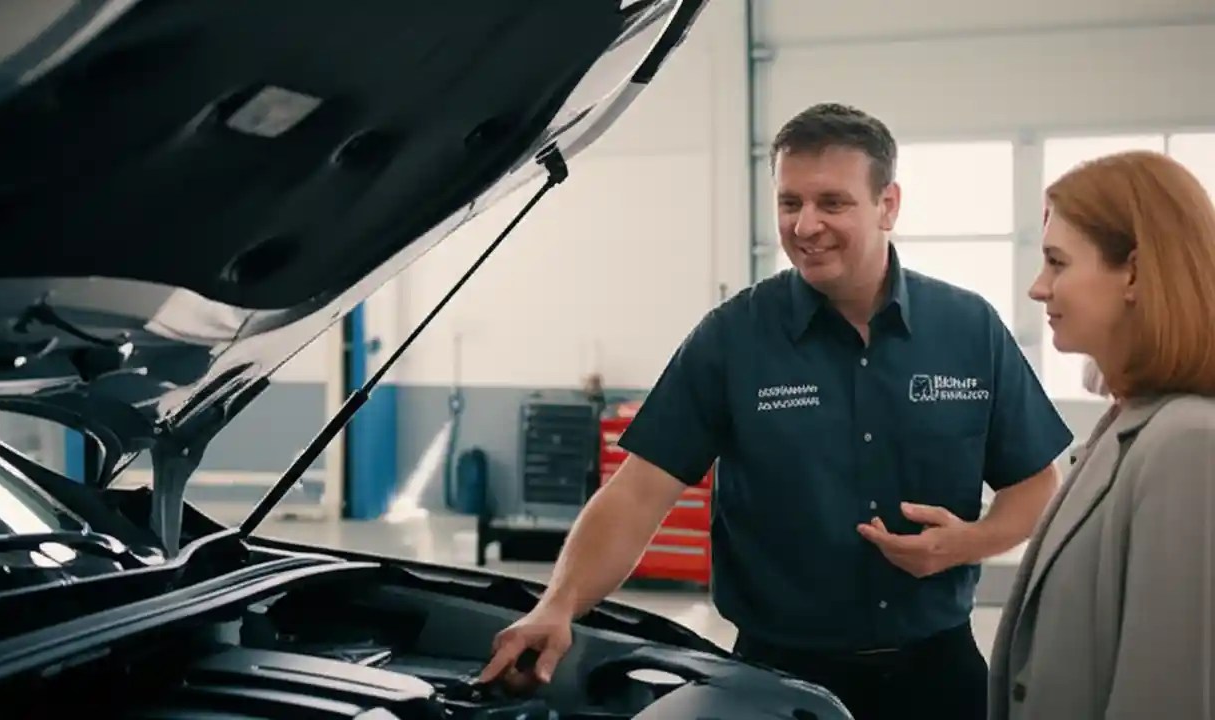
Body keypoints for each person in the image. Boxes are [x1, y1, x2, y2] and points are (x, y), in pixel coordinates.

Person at [479, 103, 1072, 719]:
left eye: (832, 203)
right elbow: (637, 495)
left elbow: (1034, 482)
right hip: (776, 680)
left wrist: (967, 544)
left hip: (937, 675)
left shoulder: (969, 328)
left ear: (888, 205)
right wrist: (558, 603)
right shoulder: (732, 339)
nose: (806, 225)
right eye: (790, 203)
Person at [990, 150, 1215, 719]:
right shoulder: (1129, 423)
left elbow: (1164, 695)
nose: (1038, 289)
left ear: (1134, 273)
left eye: (1057, 263)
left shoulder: (1186, 445)